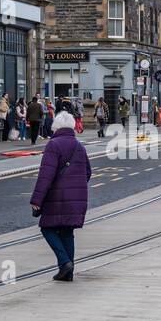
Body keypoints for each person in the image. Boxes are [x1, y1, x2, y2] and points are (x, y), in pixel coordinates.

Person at [30, 110, 92, 282]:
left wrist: (36, 200)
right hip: (75, 198)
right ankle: (68, 273)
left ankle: (64, 262)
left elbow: (46, 175)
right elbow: (88, 172)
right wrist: (76, 188)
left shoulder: (53, 145)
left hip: (56, 196)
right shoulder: (79, 146)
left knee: (47, 228)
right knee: (67, 232)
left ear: (55, 127)